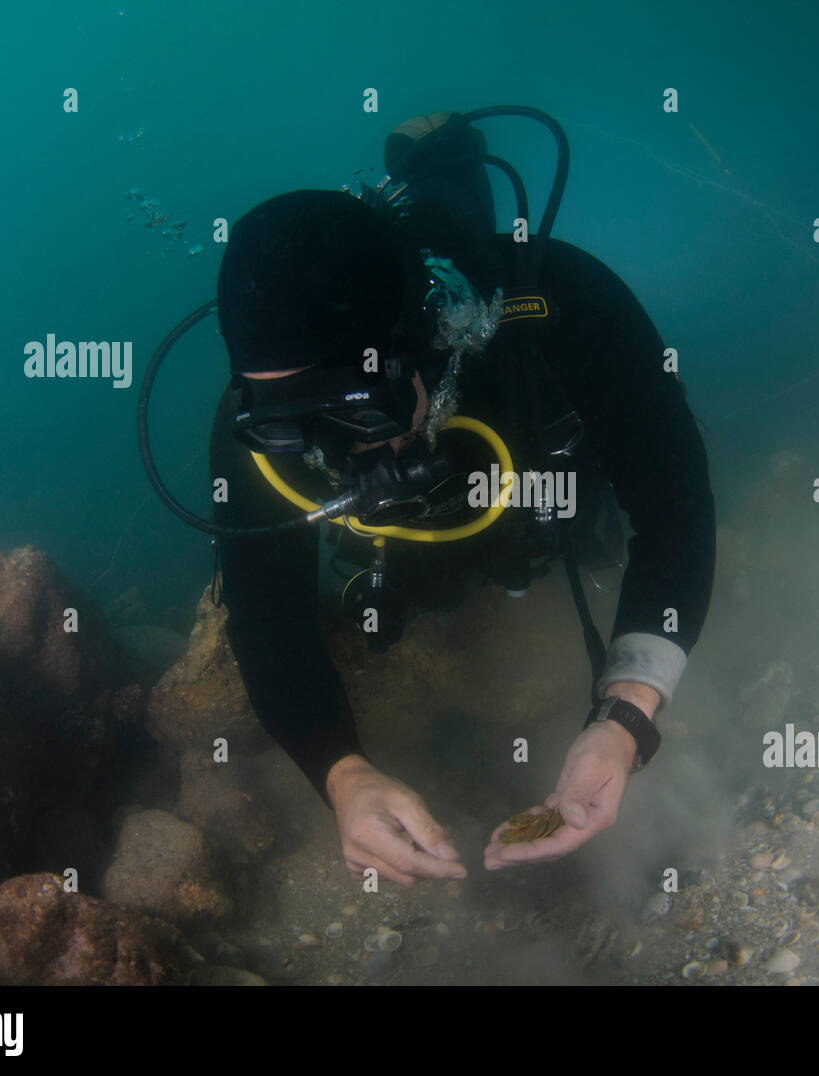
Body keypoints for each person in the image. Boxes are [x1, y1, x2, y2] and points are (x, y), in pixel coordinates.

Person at [205, 111, 714, 887]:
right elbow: (263, 612)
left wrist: (626, 717)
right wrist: (342, 774)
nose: (335, 456)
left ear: (424, 344)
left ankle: (439, 151)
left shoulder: (565, 305)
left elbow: (676, 507)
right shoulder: (253, 423)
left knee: (588, 527)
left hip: (542, 490)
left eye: (360, 411)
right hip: (420, 547)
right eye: (289, 426)